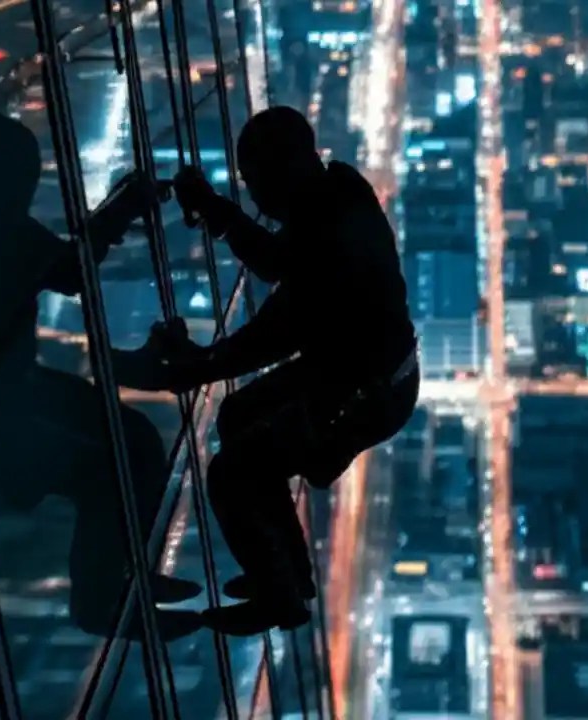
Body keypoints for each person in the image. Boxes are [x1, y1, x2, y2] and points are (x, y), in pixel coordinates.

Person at [115, 106, 419, 636]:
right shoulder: (336, 197)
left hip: (362, 393)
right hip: (357, 376)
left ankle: (280, 597)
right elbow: (281, 268)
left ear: (288, 170)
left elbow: (276, 317)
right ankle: (287, 576)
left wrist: (197, 365)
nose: (255, 196)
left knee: (233, 473)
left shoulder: (332, 233)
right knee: (238, 417)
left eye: (256, 181)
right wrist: (218, 212)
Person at [0, 114, 201, 638]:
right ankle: (99, 603)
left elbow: (65, 267)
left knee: (133, 440)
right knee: (107, 468)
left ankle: (125, 575)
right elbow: (70, 270)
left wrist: (119, 210)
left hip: (4, 386)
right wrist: (120, 210)